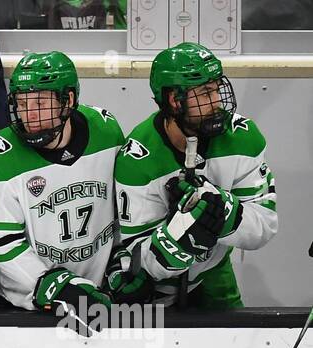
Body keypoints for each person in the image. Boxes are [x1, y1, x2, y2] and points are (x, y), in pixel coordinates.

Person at [114, 43, 277, 309]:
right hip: (156, 290)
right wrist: (178, 236)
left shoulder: (243, 138)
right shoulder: (137, 160)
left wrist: (220, 212)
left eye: (216, 89)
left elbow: (265, 226)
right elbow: (136, 258)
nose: (217, 103)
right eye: (204, 93)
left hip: (214, 270)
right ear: (174, 101)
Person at [0, 51, 124, 324]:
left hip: (98, 293)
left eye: (40, 102)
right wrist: (50, 284)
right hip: (31, 301)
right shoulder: (0, 156)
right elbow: (3, 244)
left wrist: (121, 259)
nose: (29, 115)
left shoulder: (106, 131)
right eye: (21, 103)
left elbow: (120, 210)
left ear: (68, 101)